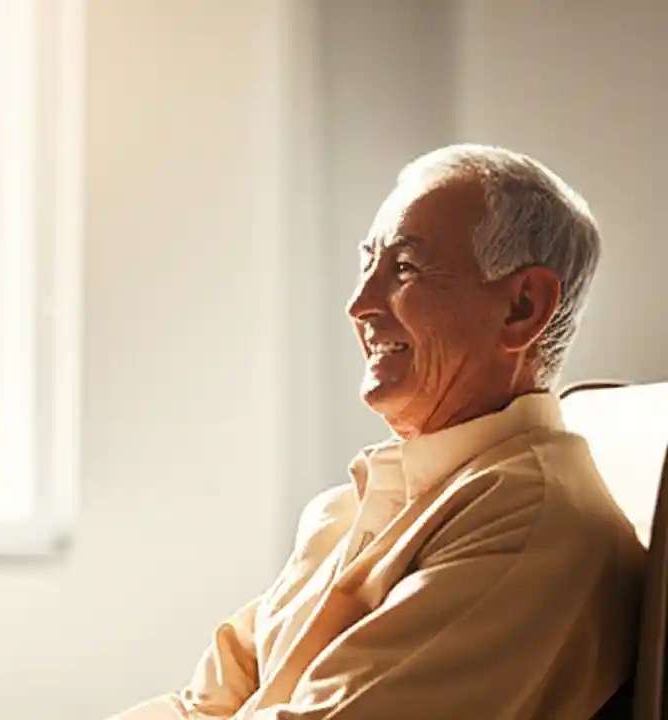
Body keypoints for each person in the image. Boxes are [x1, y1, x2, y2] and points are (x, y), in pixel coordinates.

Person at [109, 144, 644, 719]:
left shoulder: (526, 517)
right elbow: (204, 704)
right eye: (367, 264)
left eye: (404, 268)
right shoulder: (356, 505)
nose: (358, 304)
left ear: (521, 307)